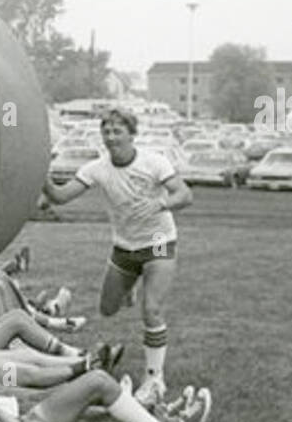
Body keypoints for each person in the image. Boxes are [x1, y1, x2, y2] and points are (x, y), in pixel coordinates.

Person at [41, 108, 192, 405]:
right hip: (124, 246)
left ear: (131, 134)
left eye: (117, 131)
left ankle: (154, 379)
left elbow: (185, 196)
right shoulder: (97, 168)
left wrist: (161, 203)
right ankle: (130, 286)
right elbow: (59, 197)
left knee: (152, 310)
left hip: (159, 241)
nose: (111, 138)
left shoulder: (154, 162)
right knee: (108, 309)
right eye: (106, 132)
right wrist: (42, 171)